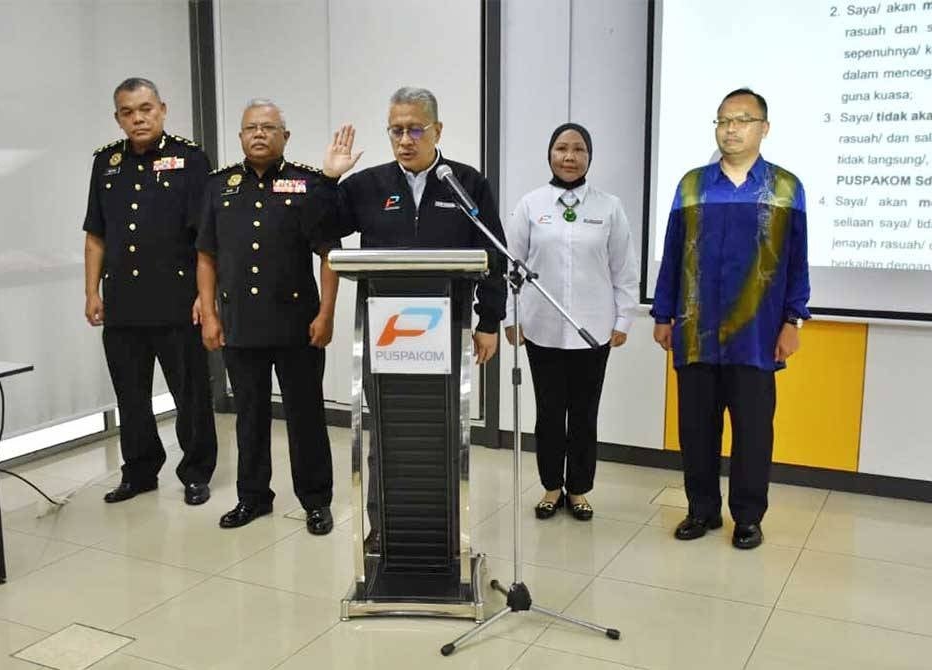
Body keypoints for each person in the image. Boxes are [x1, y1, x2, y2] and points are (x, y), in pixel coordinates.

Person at [322, 86, 508, 550]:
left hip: (448, 329)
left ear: (437, 130)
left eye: (415, 129)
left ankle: (441, 525)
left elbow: (494, 254)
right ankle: (383, 526)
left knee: (443, 432)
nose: (405, 139)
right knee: (386, 432)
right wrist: (329, 181)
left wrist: (489, 321)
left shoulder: (464, 183)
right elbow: (319, 231)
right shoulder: (366, 186)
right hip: (384, 332)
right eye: (396, 130)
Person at [651, 88, 810, 550]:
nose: (731, 128)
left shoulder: (786, 187)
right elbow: (673, 255)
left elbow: (796, 261)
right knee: (696, 429)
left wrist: (793, 321)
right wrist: (663, 313)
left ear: (764, 127)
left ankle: (747, 516)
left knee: (753, 433)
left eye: (742, 119)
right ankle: (702, 510)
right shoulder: (692, 185)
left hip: (758, 336)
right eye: (723, 120)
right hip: (695, 331)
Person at [196, 99, 338, 535]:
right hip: (241, 323)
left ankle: (315, 501)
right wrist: (209, 315)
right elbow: (206, 255)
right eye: (251, 128)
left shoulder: (307, 185)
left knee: (305, 416)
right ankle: (253, 498)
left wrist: (327, 313)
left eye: (269, 127)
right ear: (240, 137)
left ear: (285, 137)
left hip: (298, 323)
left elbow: (329, 255)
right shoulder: (219, 186)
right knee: (249, 417)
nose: (259, 134)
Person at [83, 77, 217, 506]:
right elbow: (95, 236)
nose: (138, 118)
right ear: (117, 117)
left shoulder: (190, 159)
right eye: (128, 111)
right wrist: (91, 291)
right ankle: (140, 471)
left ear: (163, 109)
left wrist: (206, 297)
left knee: (190, 395)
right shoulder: (106, 163)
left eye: (145, 108)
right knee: (131, 397)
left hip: (178, 303)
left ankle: (196, 472)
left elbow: (206, 238)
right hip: (123, 304)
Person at [503, 123, 638, 521]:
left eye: (578, 149)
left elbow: (624, 269)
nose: (569, 156)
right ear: (549, 154)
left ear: (589, 157)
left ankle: (578, 489)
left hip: (593, 330)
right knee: (548, 412)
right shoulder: (530, 204)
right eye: (561, 148)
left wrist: (624, 319)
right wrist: (511, 317)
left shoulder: (609, 206)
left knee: (583, 414)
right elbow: (512, 266)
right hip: (541, 327)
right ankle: (550, 487)